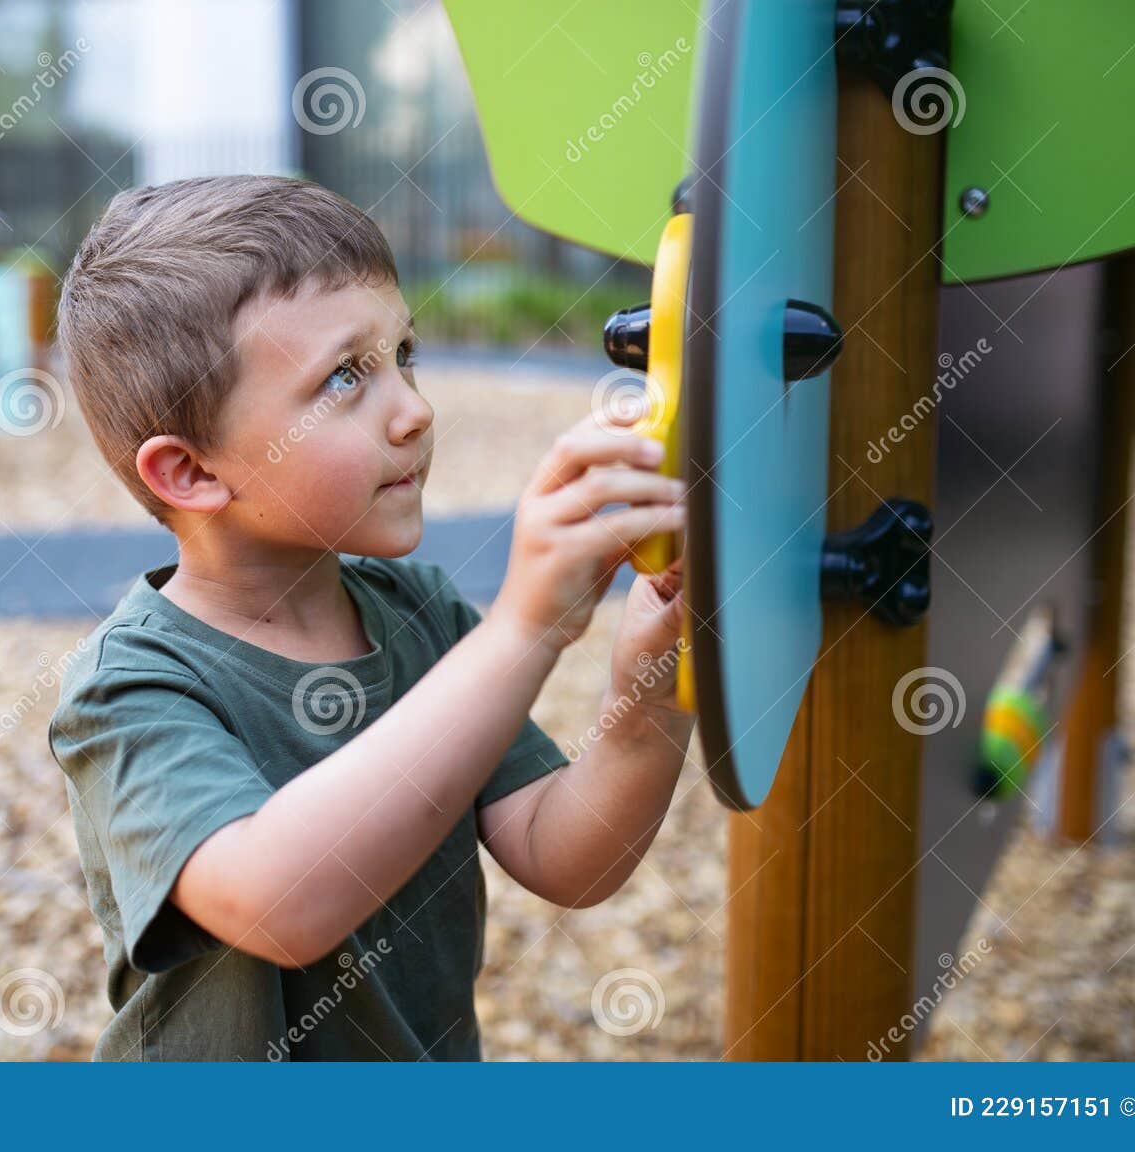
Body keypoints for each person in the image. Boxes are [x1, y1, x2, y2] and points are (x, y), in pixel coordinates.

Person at [47, 175, 693, 1060]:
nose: (416, 410)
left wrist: (649, 695)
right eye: (347, 375)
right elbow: (282, 903)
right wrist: (526, 629)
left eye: (405, 354)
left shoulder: (420, 615)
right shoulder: (133, 690)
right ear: (192, 474)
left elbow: (563, 853)